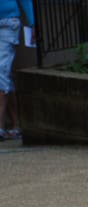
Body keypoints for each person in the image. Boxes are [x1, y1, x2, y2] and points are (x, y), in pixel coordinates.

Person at [0, 0, 34, 141]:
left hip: (8, 22)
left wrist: (32, 23)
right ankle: (16, 124)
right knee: (4, 73)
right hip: (8, 20)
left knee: (0, 71)